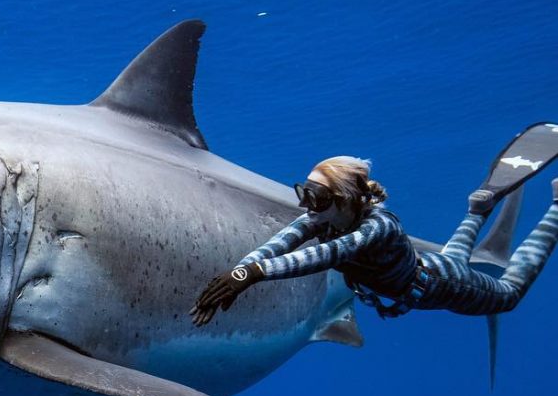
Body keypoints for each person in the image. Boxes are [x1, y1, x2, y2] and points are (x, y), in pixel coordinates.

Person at [190, 155, 558, 326]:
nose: (307, 206)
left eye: (316, 197)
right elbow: (277, 246)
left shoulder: (378, 227)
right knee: (455, 257)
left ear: (348, 198)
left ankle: (555, 207)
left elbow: (326, 254)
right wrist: (239, 273)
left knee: (507, 296)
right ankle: (478, 209)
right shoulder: (322, 215)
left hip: (437, 284)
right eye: (304, 193)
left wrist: (252, 274)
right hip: (425, 272)